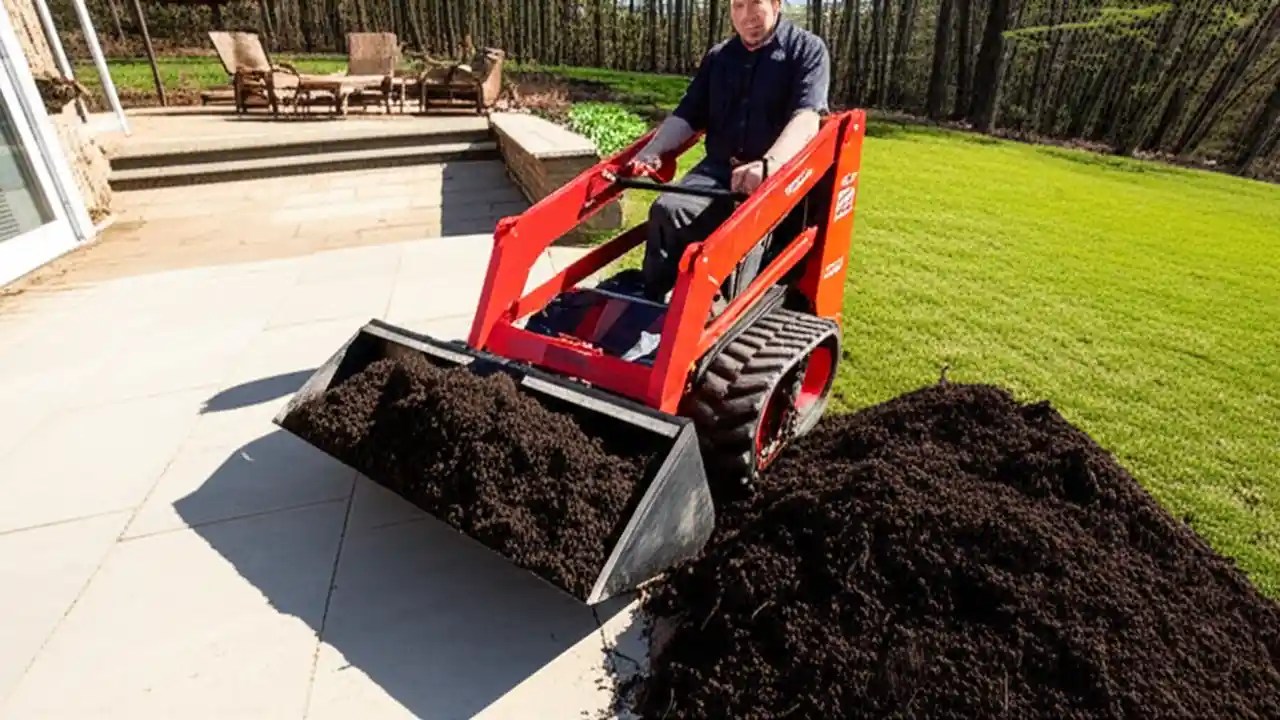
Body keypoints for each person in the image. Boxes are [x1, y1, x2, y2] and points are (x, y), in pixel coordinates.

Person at [627, 0, 832, 302]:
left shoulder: (806, 50)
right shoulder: (719, 58)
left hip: (775, 179)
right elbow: (688, 115)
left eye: (755, 4)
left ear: (776, 5)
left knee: (735, 242)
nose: (747, 16)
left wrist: (768, 165)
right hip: (718, 170)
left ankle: (718, 311)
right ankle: (653, 303)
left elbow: (807, 116)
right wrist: (654, 150)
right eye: (737, 6)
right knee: (666, 210)